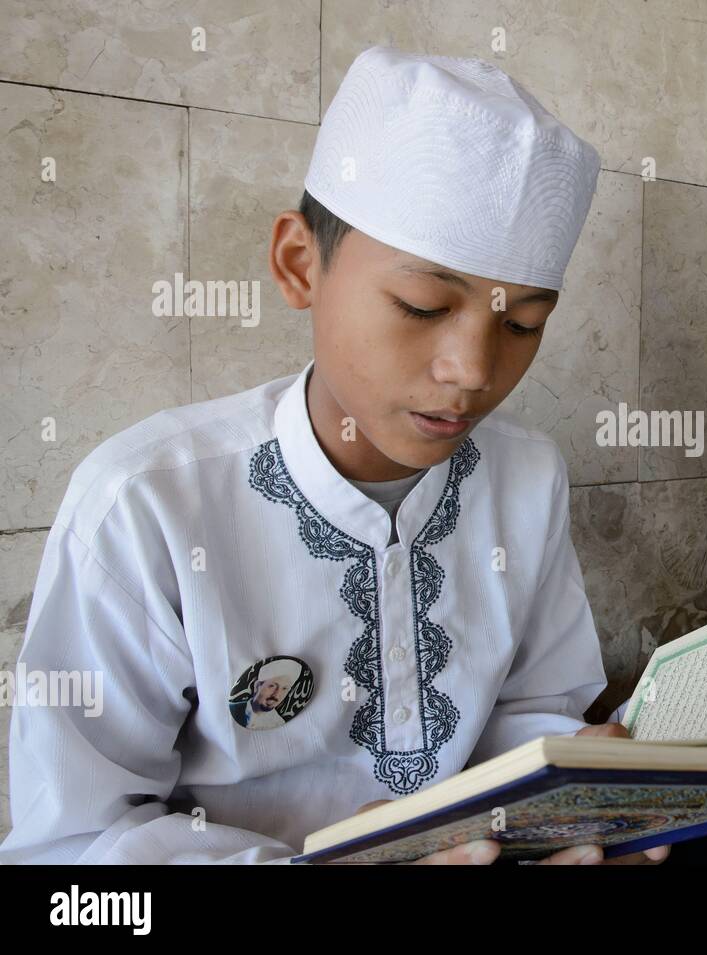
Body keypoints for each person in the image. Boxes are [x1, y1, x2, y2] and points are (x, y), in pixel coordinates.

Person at [0, 46, 665, 865]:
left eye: (522, 323)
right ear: (298, 264)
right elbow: (69, 851)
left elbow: (531, 711)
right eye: (423, 306)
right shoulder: (148, 507)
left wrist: (582, 787)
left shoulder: (527, 475)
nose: (474, 370)